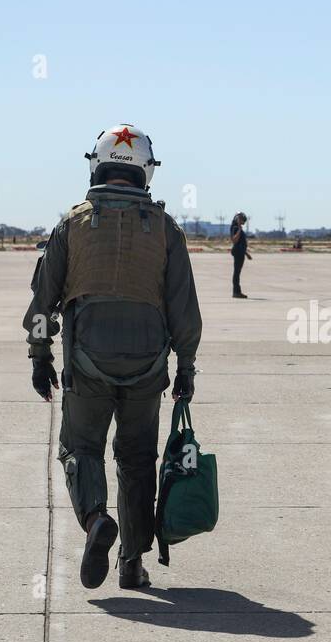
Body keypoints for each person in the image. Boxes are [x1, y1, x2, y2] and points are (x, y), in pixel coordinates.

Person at [23, 123, 202, 591]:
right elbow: (185, 307)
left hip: (87, 360)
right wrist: (186, 368)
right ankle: (131, 562)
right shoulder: (166, 229)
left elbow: (43, 301)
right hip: (147, 364)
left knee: (80, 449)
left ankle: (96, 518)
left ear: (96, 165)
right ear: (146, 171)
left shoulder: (71, 224)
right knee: (137, 458)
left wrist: (39, 357)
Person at [230, 212, 250, 298]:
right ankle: (236, 292)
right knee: (236, 273)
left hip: (240, 252)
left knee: (237, 273)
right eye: (241, 219)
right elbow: (234, 240)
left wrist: (246, 254)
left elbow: (241, 244)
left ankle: (237, 291)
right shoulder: (235, 228)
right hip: (238, 253)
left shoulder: (237, 228)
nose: (242, 221)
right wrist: (239, 229)